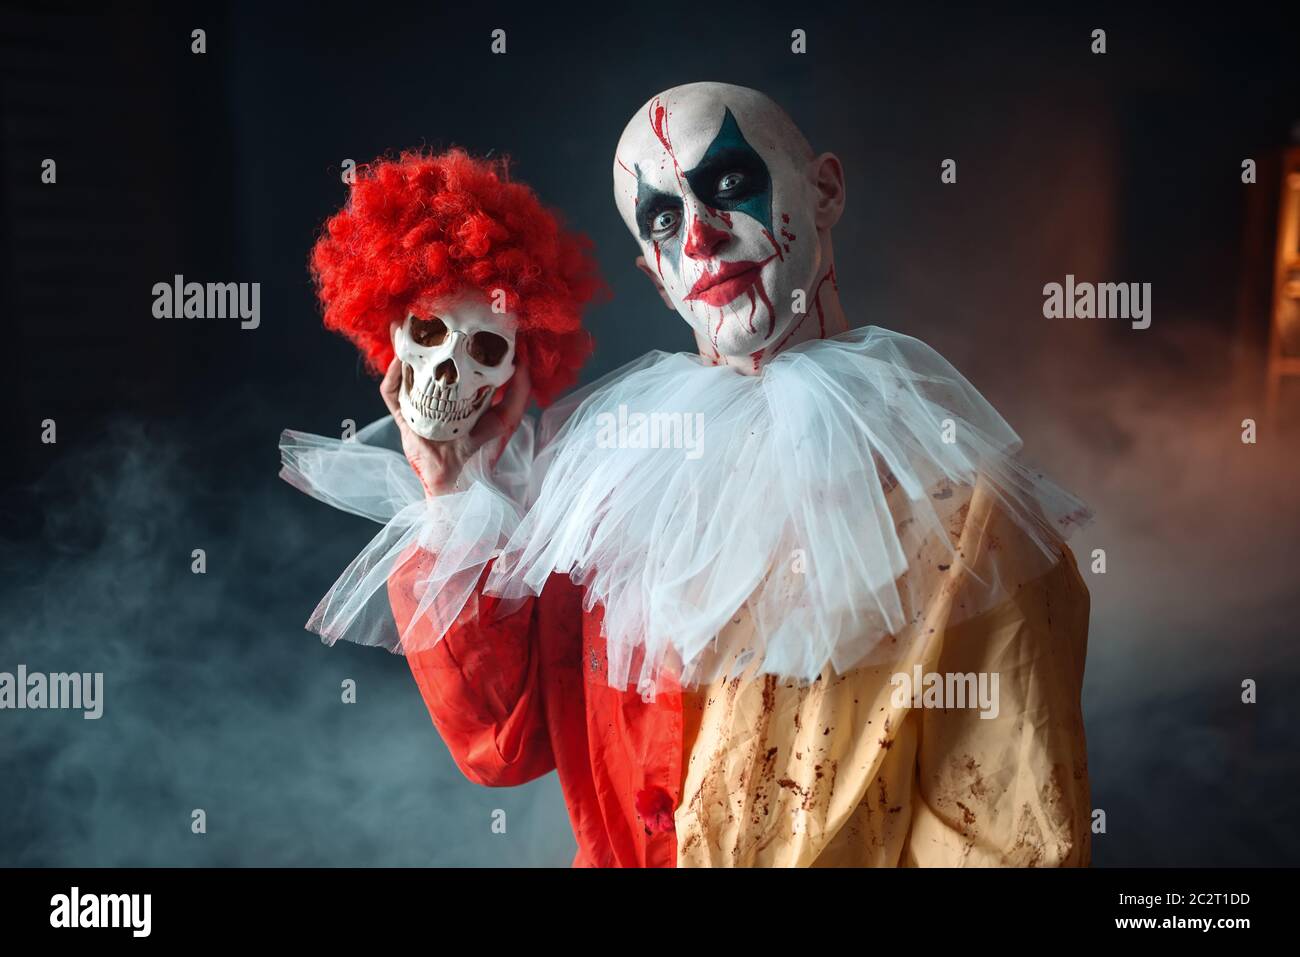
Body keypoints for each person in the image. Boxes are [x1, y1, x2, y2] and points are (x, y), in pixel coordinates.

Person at [285, 86, 1095, 867]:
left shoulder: (959, 504)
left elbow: (1006, 835)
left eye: (731, 183)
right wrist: (453, 493)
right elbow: (507, 744)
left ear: (825, 192)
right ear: (653, 272)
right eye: (665, 219)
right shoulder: (613, 476)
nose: (700, 239)